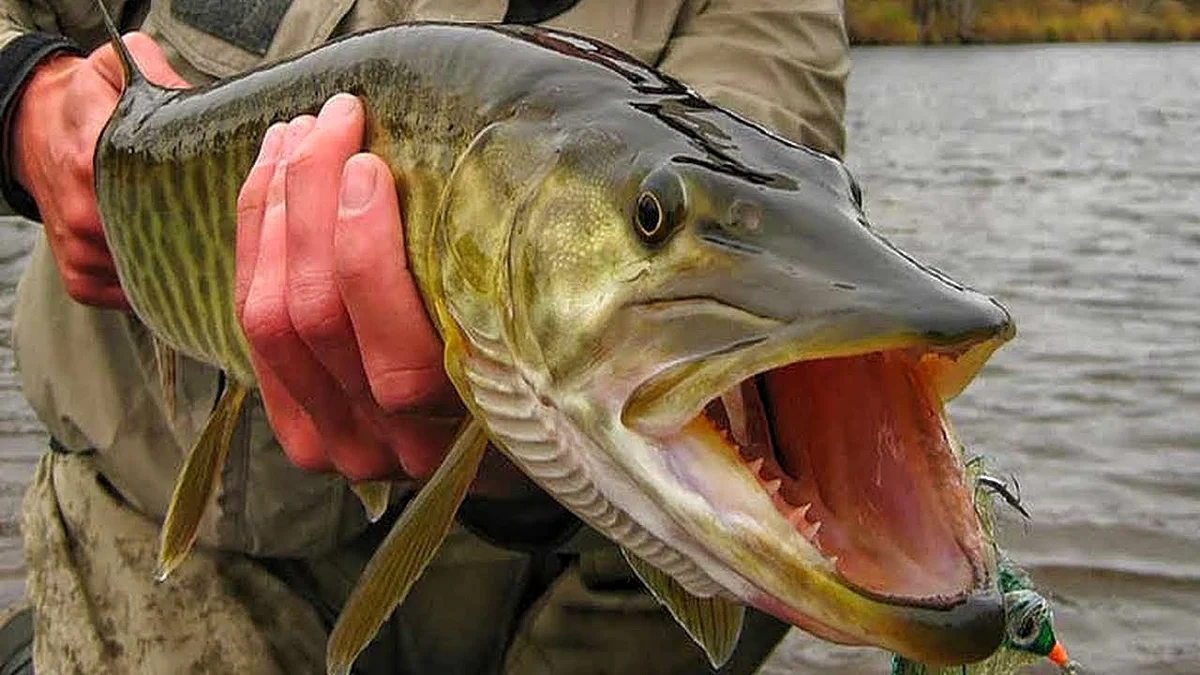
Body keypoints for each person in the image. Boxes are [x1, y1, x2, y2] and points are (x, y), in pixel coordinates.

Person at [0, 0, 849, 672]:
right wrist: (27, 106)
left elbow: (730, 271)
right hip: (148, 528)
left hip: (534, 584)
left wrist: (506, 448)